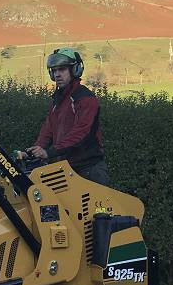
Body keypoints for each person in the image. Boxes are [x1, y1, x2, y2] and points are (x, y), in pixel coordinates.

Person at [26, 47, 110, 185]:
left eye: (62, 69)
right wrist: (35, 150)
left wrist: (50, 152)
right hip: (65, 170)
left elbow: (81, 133)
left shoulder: (85, 98)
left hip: (89, 170)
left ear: (75, 70)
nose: (57, 74)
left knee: (97, 208)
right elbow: (48, 130)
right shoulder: (57, 101)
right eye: (54, 70)